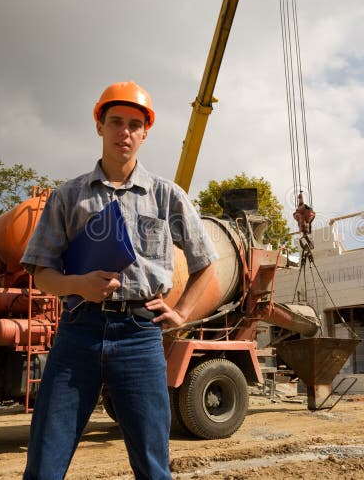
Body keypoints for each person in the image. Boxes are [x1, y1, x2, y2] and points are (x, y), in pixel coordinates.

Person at [20, 80, 218, 480]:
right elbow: (42, 273)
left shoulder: (167, 196)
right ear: (99, 126)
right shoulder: (68, 196)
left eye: (133, 124)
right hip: (79, 332)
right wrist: (78, 285)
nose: (124, 133)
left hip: (140, 335)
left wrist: (180, 313)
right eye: (115, 122)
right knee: (44, 463)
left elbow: (206, 265)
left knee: (152, 464)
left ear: (145, 132)